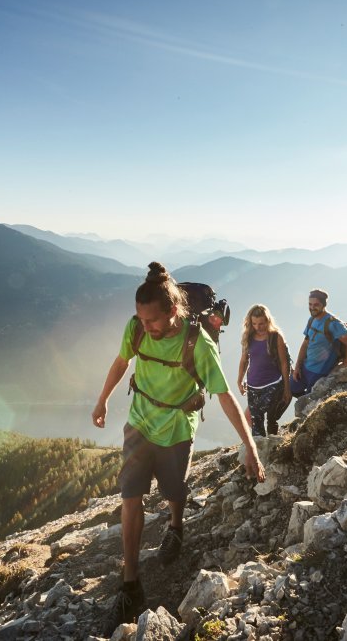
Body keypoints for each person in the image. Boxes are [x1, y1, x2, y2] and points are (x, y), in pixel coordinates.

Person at [91, 262, 265, 629]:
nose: (146, 327)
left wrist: (249, 444)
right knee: (131, 496)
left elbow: (224, 395)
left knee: (174, 490)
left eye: (152, 320)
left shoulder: (197, 343)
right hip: (139, 424)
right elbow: (121, 362)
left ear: (173, 310)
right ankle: (130, 584)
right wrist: (102, 399)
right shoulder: (136, 328)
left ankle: (175, 525)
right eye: (141, 319)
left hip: (176, 429)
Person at [290, 288, 347, 396]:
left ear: (324, 305)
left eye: (316, 305)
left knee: (310, 399)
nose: (312, 307)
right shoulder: (312, 319)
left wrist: (345, 365)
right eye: (310, 304)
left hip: (320, 372)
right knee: (292, 389)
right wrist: (298, 366)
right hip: (305, 367)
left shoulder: (333, 323)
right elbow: (305, 344)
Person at [237, 304, 291, 436]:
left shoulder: (276, 337)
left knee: (271, 418)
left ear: (268, 321)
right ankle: (260, 446)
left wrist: (286, 387)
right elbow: (244, 360)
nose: (257, 327)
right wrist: (239, 381)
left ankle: (273, 443)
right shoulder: (248, 336)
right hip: (252, 386)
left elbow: (284, 363)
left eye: (261, 323)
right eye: (254, 324)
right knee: (256, 423)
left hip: (273, 384)